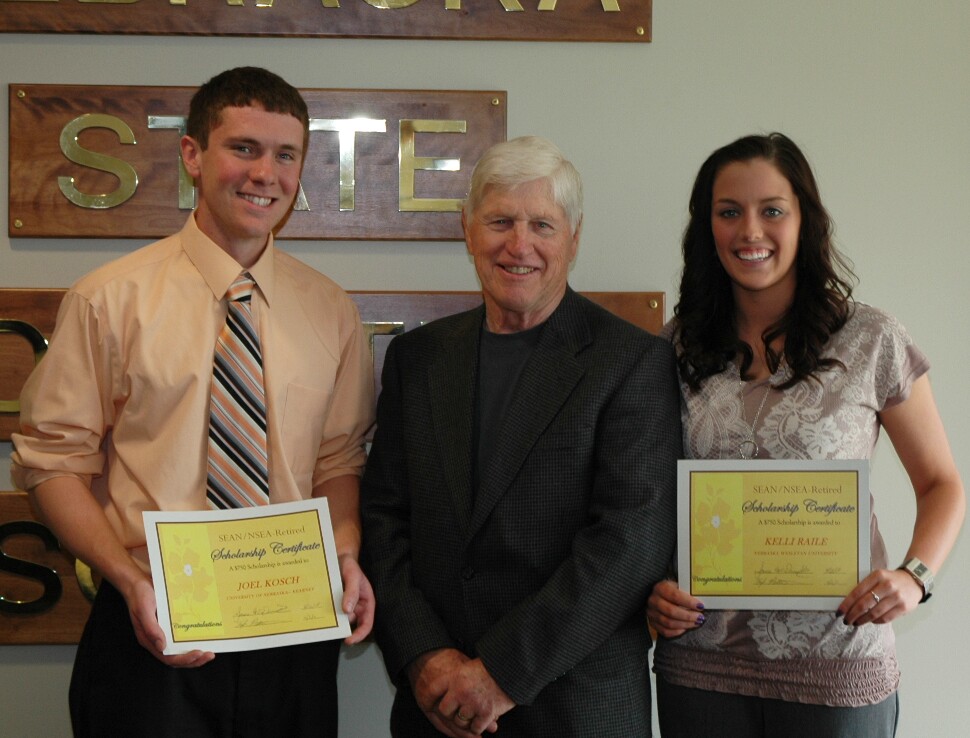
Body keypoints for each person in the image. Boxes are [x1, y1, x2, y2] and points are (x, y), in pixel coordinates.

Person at [10, 67, 376, 737]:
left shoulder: (331, 311)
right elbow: (53, 463)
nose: (265, 174)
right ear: (192, 155)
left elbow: (337, 463)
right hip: (149, 624)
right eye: (244, 148)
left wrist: (345, 552)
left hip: (290, 633)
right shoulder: (109, 299)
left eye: (285, 155)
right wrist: (128, 581)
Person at [360, 135, 682, 737]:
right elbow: (383, 518)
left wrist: (499, 674)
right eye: (500, 221)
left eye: (542, 225)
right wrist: (424, 656)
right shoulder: (418, 359)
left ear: (574, 238)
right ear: (467, 229)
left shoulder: (630, 362)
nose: (519, 244)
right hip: (437, 708)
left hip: (577, 710)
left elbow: (629, 543)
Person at [647, 132, 965, 737]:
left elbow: (941, 483)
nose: (750, 231)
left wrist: (915, 577)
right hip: (701, 667)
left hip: (837, 667)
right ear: (706, 227)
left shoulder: (871, 339)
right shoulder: (675, 346)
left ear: (804, 220)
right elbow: (648, 497)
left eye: (772, 210)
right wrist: (651, 588)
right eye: (729, 212)